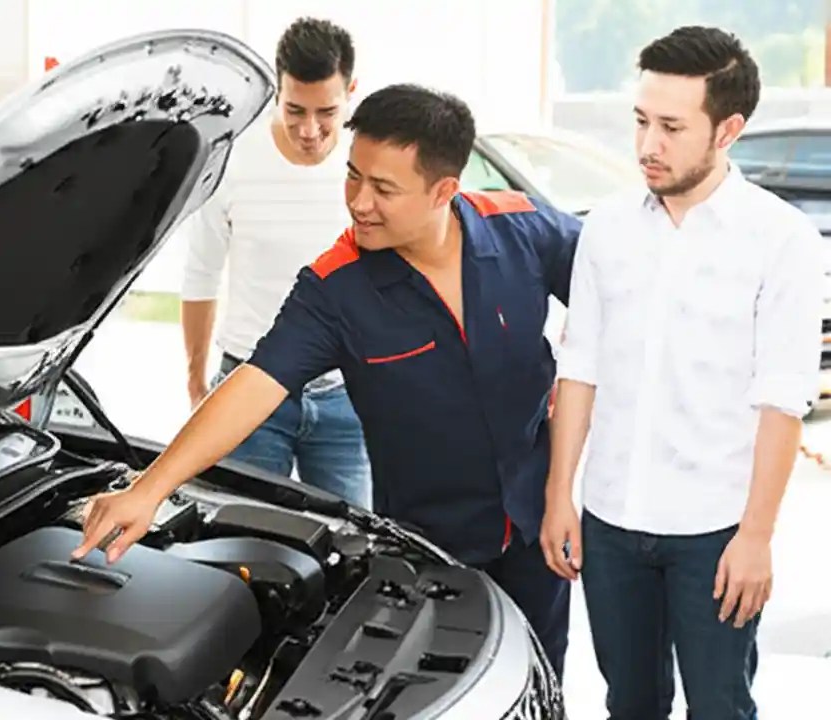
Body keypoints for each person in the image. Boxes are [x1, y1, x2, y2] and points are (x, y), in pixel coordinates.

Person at [76, 82, 583, 679]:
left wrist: (570, 480)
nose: (359, 202)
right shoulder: (335, 289)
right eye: (353, 176)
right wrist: (149, 488)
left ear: (444, 190)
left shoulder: (525, 228)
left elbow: (623, 308)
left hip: (540, 531)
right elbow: (254, 384)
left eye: (384, 188)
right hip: (430, 553)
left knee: (541, 681)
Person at [541, 26, 823, 720]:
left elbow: (782, 402)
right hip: (610, 522)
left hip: (715, 531)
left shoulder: (781, 239)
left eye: (671, 127)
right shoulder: (605, 225)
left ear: (727, 130)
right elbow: (580, 368)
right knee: (629, 705)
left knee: (720, 709)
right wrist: (559, 497)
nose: (646, 145)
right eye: (640, 121)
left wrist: (756, 537)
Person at [179, 17, 371, 508]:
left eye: (327, 111)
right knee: (246, 539)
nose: (310, 130)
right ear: (277, 91)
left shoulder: (368, 164)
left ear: (352, 89)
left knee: (350, 544)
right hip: (250, 388)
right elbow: (201, 274)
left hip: (348, 397)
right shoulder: (232, 160)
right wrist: (197, 380)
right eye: (295, 110)